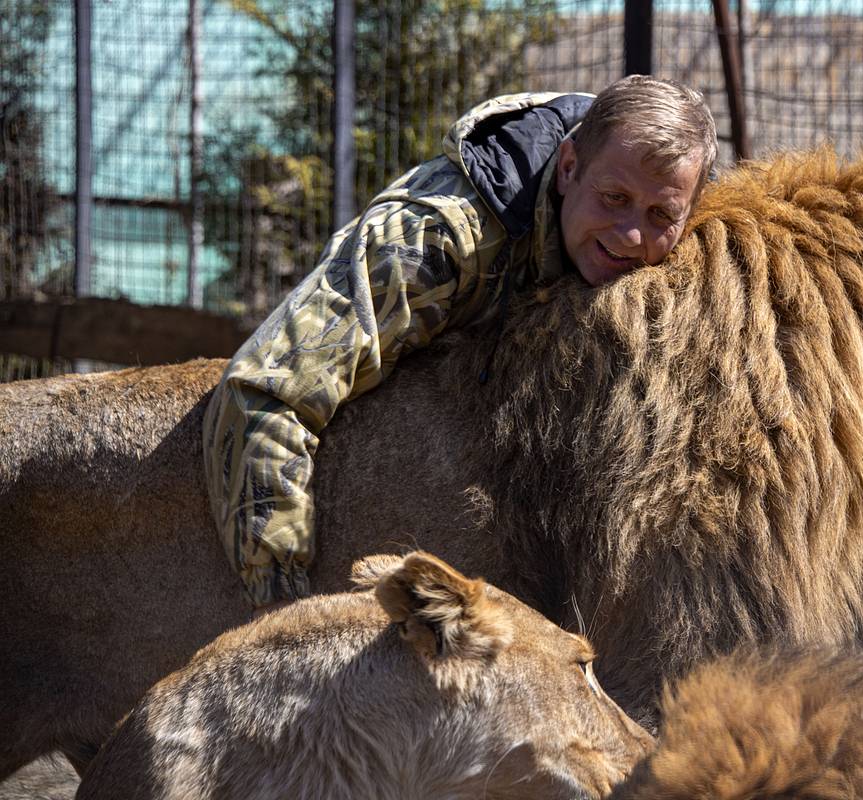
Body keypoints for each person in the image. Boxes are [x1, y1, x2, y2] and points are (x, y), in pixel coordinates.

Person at [202, 76, 718, 615]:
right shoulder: (434, 240)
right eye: (614, 199)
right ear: (569, 168)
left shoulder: (688, 230)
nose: (633, 235)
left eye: (661, 216)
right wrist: (281, 610)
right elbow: (265, 394)